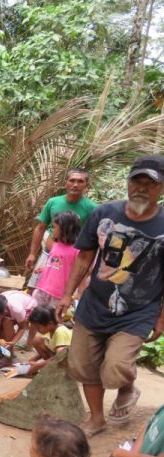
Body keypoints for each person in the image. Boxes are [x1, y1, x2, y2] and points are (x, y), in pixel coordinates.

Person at [57, 155, 164, 438]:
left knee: (116, 366)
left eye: (150, 184)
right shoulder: (104, 214)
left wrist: (161, 318)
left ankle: (127, 385)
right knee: (83, 365)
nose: (141, 188)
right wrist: (66, 295)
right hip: (95, 304)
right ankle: (96, 419)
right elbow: (84, 258)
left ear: (161, 189)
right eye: (136, 181)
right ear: (128, 183)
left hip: (138, 310)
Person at [25, 169, 96, 289]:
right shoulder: (53, 202)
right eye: (72, 180)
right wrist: (32, 254)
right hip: (48, 254)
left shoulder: (92, 208)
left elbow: (93, 237)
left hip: (73, 259)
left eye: (80, 181)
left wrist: (89, 265)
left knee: (63, 292)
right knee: (36, 288)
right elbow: (40, 228)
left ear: (86, 185)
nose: (75, 184)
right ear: (65, 183)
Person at [33, 211, 81, 309]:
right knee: (35, 314)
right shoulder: (55, 245)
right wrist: (45, 269)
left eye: (54, 227)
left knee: (51, 320)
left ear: (65, 229)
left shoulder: (76, 251)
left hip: (58, 294)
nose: (51, 230)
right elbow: (54, 263)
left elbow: (79, 273)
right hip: (43, 287)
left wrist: (79, 292)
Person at [0, 291, 39, 367]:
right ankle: (5, 352)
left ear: (4, 312)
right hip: (14, 306)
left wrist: (12, 342)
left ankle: (8, 357)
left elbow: (22, 328)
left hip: (29, 307)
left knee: (7, 323)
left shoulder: (17, 310)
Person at [25, 306, 72, 376]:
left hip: (70, 362)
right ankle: (51, 367)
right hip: (60, 357)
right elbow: (48, 346)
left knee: (38, 341)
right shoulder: (50, 330)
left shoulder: (60, 332)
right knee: (37, 341)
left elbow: (61, 356)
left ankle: (57, 370)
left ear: (50, 324)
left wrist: (37, 366)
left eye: (38, 327)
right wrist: (33, 360)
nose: (37, 330)